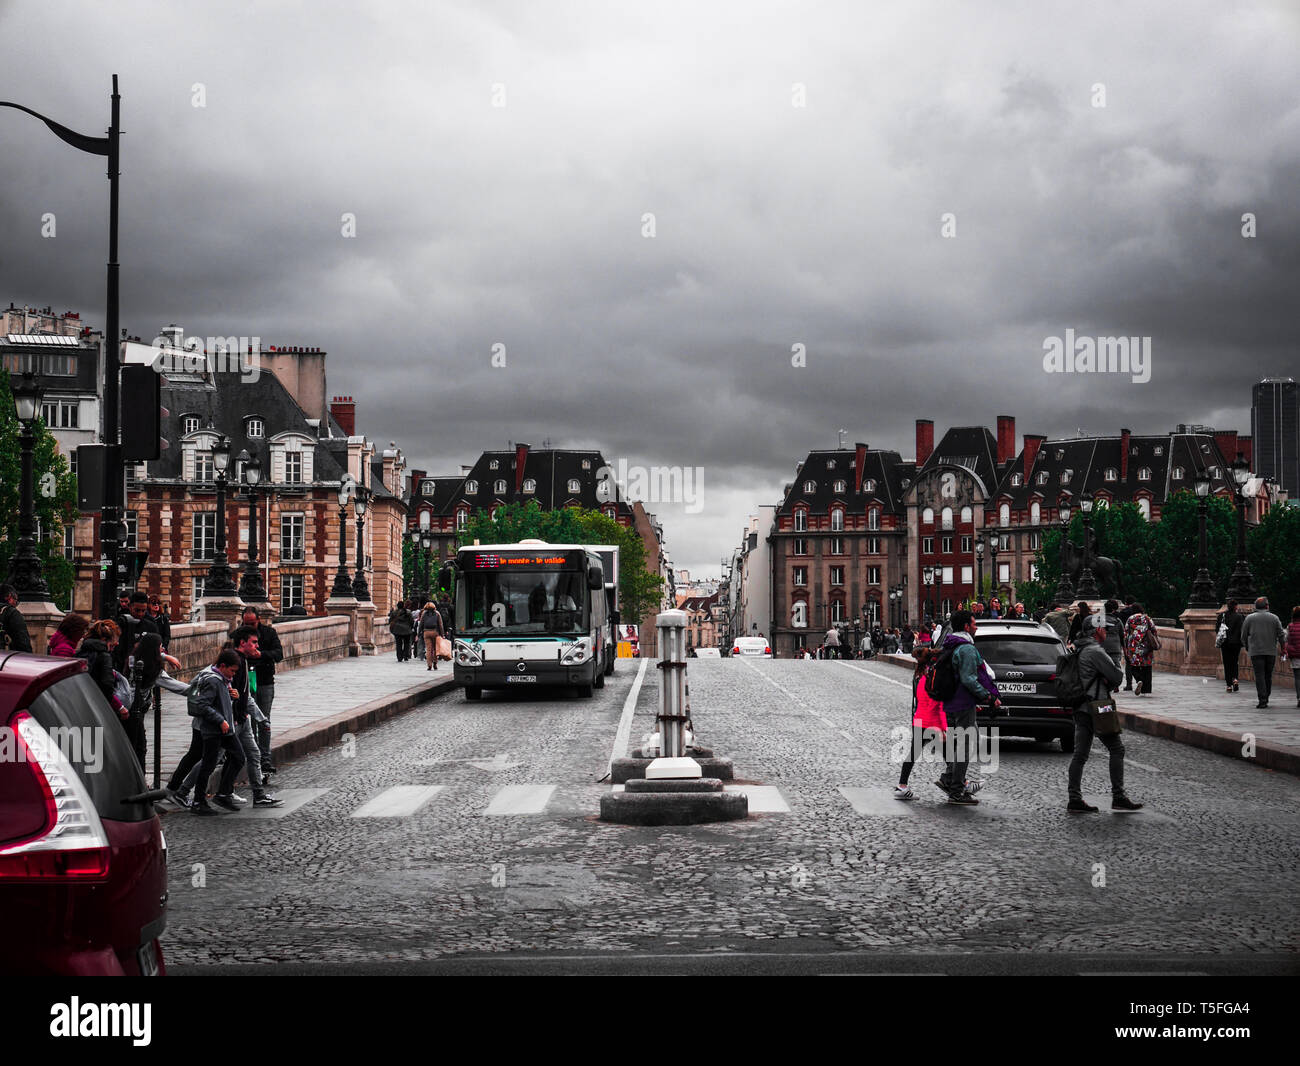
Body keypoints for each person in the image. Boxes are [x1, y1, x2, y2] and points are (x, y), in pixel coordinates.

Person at [1067, 615, 1142, 813]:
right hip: (1099, 706)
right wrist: (1114, 664)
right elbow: (1117, 676)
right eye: (1103, 628)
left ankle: (1074, 798)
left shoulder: (1080, 647)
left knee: (1080, 754)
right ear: (1096, 630)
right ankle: (1118, 796)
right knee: (1117, 749)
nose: (1107, 631)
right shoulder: (1095, 651)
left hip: (1082, 706)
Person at [168, 649, 246, 815]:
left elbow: (218, 701)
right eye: (231, 671)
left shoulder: (222, 679)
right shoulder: (213, 680)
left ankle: (223, 793)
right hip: (214, 729)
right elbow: (203, 705)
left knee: (238, 757)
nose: (232, 676)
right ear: (223, 666)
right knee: (208, 765)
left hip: (224, 728)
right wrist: (220, 720)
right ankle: (199, 801)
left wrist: (232, 696)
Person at [936, 610, 1002, 804]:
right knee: (965, 745)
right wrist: (988, 697)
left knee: (964, 743)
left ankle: (949, 778)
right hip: (963, 702)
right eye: (974, 624)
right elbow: (969, 679)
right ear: (966, 626)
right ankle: (956, 790)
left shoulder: (950, 643)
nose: (976, 627)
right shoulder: (966, 649)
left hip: (951, 702)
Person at [125, 632, 187, 770]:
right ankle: (139, 781)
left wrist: (165, 657)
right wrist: (200, 690)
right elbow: (178, 687)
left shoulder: (133, 660)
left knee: (132, 744)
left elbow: (147, 650)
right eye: (160, 647)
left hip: (125, 706)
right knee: (140, 746)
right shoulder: (153, 670)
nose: (162, 649)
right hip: (135, 709)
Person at [895, 648, 946, 799]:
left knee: (912, 754)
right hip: (932, 721)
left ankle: (902, 786)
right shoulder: (932, 677)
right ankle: (958, 783)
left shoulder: (919, 675)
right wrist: (943, 728)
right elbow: (938, 705)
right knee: (949, 754)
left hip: (919, 719)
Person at [240, 606, 284, 777]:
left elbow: (279, 654)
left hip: (265, 680)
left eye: (252, 623)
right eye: (246, 623)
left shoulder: (269, 633)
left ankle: (265, 758)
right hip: (245, 681)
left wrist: (261, 655)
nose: (249, 626)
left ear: (259, 620)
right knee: (246, 721)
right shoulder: (238, 634)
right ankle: (252, 756)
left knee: (264, 720)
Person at [77, 619, 129, 722]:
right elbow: (106, 686)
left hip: (82, 703)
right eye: (115, 640)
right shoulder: (104, 655)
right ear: (104, 639)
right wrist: (120, 707)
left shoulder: (82, 651)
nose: (117, 643)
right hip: (98, 706)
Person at [1240, 597, 1287, 709]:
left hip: (1256, 651)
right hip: (1271, 651)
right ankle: (1267, 695)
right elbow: (1281, 635)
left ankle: (1262, 699)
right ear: (1267, 606)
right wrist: (1283, 648)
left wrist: (1247, 646)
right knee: (1268, 675)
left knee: (1259, 675)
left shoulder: (1249, 618)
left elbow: (1243, 635)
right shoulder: (1274, 618)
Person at [114, 592, 159, 673]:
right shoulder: (122, 622)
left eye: (143, 611)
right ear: (130, 607)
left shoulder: (151, 625)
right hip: (121, 668)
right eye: (137, 610)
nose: (140, 614)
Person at [1122, 603, 1159, 696]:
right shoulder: (1147, 618)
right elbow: (1154, 630)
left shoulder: (1130, 619)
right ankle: (1146, 689)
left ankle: (1139, 680)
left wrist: (1126, 646)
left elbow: (1125, 633)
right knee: (1147, 666)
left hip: (1134, 645)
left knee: (1134, 665)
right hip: (1147, 646)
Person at [1216, 599, 1245, 694]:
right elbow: (1242, 631)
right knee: (1235, 662)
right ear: (1236, 606)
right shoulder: (1240, 617)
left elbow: (1217, 629)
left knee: (1227, 664)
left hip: (1225, 643)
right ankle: (1235, 679)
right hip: (1236, 643)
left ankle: (1229, 685)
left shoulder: (1222, 616)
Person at [0, 584, 33, 653]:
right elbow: (23, 643)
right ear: (9, 596)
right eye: (15, 600)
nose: (15, 604)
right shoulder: (11, 613)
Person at [1116, 597, 1140, 690]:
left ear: (1126, 603)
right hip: (1140, 641)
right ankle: (1140, 680)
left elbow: (1122, 629)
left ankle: (1129, 684)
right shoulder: (1140, 614)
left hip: (1128, 640)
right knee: (1139, 662)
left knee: (1128, 662)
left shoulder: (1123, 614)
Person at [1101, 599, 1125, 674]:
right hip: (1115, 648)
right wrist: (1124, 648)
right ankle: (1116, 683)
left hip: (1101, 648)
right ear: (1113, 610)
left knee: (1101, 667)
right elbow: (1122, 636)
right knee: (1116, 667)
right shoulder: (1117, 621)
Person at [419, 600, 444, 671]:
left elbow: (421, 624)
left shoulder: (424, 613)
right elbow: (440, 625)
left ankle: (429, 665)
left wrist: (418, 633)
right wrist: (442, 634)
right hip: (435, 632)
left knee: (429, 649)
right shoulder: (437, 613)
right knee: (435, 649)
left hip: (426, 632)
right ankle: (435, 663)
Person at [1286, 606, 1300, 708]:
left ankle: (1299, 698)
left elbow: (1287, 639)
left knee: (1298, 678)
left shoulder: (1290, 626)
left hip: (1295, 655)